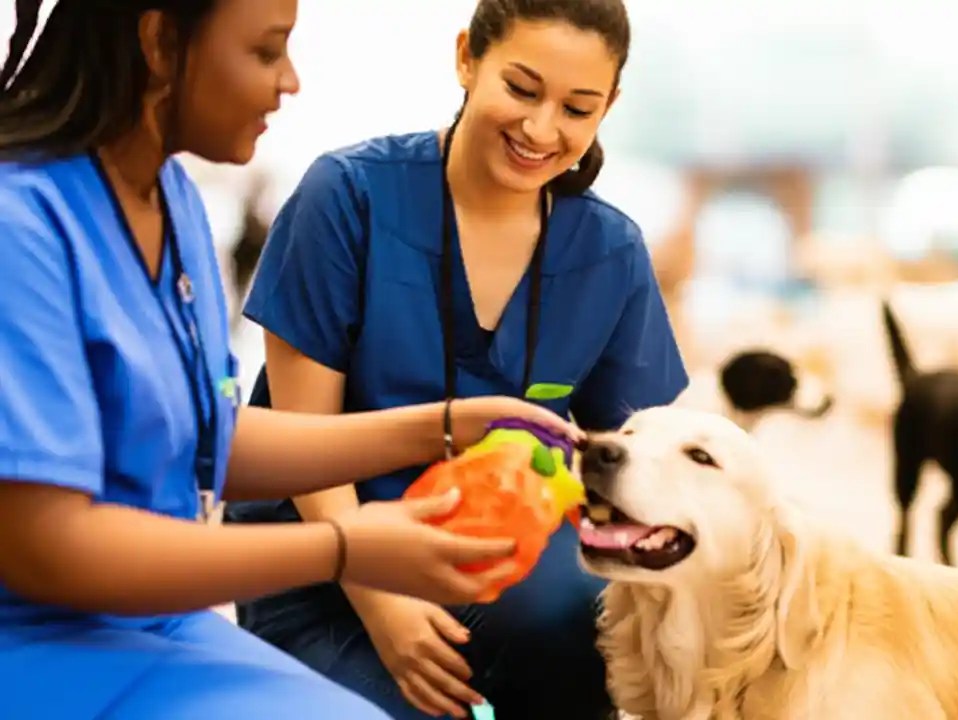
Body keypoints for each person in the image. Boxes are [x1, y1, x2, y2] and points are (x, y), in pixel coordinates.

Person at [0, 2, 581, 718]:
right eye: (267, 52)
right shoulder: (21, 226)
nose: (291, 81)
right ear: (157, 39)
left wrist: (445, 424)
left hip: (154, 625)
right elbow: (46, 549)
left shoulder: (171, 203)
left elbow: (207, 435)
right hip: (36, 643)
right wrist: (341, 548)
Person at [222, 0, 688, 718]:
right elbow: (297, 437)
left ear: (609, 107)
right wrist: (384, 611)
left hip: (503, 567)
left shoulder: (609, 253)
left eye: (577, 108)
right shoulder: (348, 197)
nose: (541, 130)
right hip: (325, 567)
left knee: (596, 627)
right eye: (522, 89)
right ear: (467, 57)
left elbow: (637, 457)